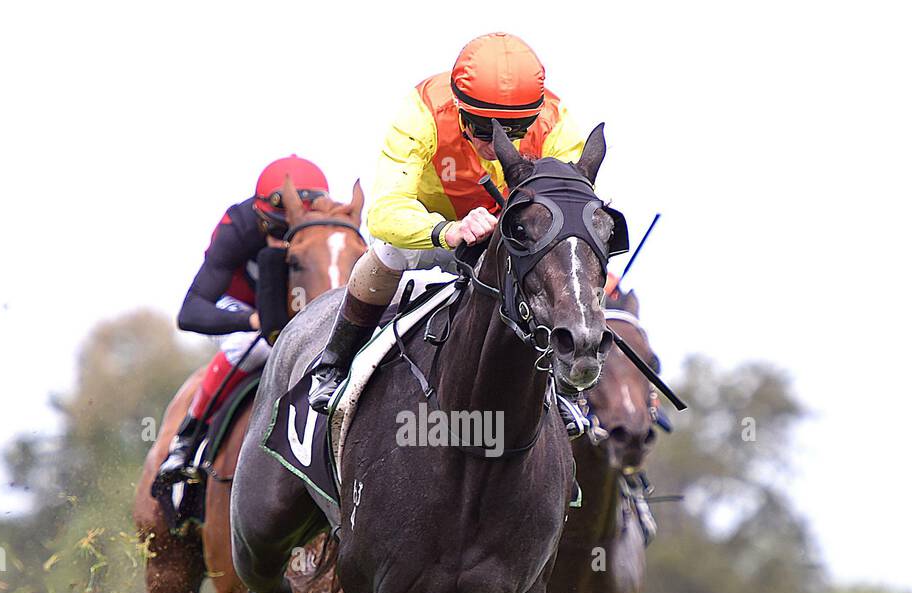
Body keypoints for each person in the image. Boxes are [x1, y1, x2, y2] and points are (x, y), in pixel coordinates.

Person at [308, 32, 588, 412]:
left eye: (516, 131)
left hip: (513, 234)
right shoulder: (422, 112)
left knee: (565, 259)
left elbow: (567, 217)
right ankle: (334, 365)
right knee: (389, 250)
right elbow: (384, 212)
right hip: (431, 229)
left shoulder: (559, 125)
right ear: (458, 108)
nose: (494, 146)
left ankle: (567, 383)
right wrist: (447, 230)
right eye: (482, 129)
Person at [152, 156, 330, 497]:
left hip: (304, 309)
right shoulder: (237, 228)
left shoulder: (331, 226)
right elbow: (190, 311)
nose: (285, 240)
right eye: (279, 229)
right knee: (250, 347)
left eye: (296, 229)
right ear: (261, 217)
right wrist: (251, 321)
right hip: (248, 306)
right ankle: (185, 441)